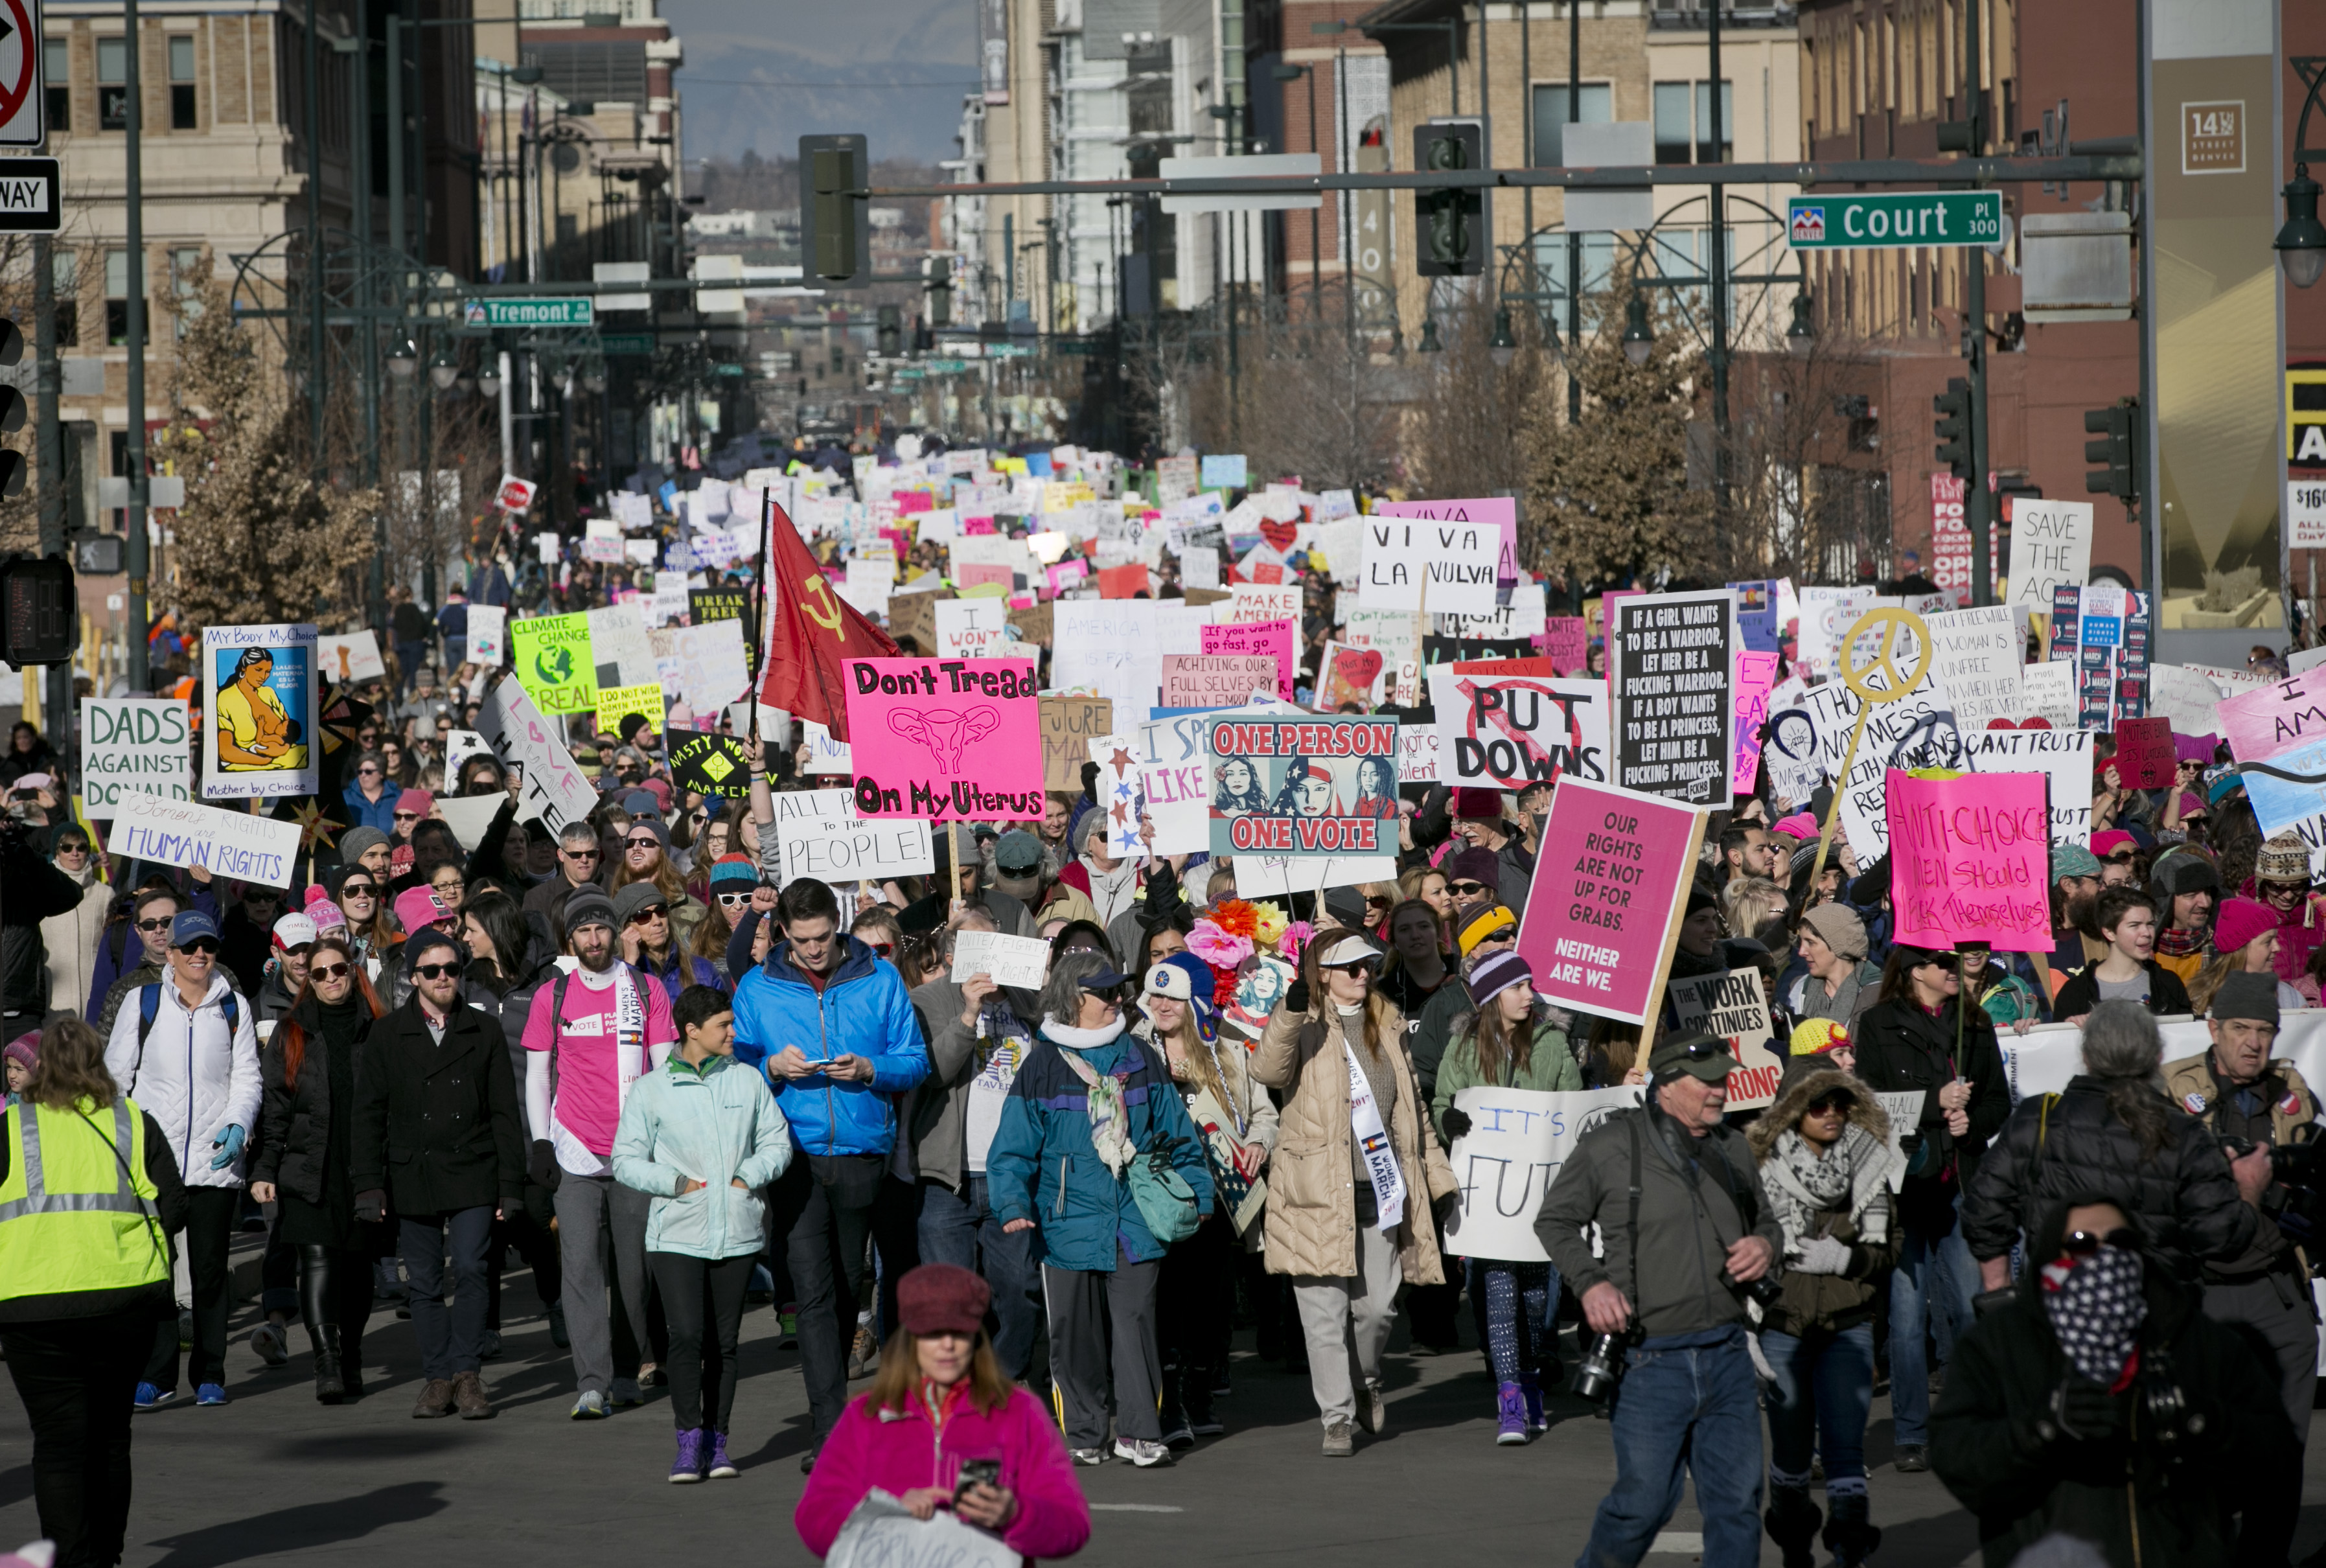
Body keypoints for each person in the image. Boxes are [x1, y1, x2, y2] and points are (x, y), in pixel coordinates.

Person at [1929, 1195, 2290, 1567]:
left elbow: (2274, 1455)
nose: (2105, 1256)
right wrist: (2040, 1430)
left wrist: (2206, 1423)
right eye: (2083, 1242)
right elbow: (1956, 1453)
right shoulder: (2003, 1342)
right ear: (2054, 1251)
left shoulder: (2193, 1338)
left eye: (2120, 1242)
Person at [1536, 1032, 1786, 1568]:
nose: (1723, 1090)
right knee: (1642, 1506)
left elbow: (1767, 1221)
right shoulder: (1613, 1145)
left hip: (1728, 1353)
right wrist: (1591, 1283)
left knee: (1738, 1506)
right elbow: (1554, 1220)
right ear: (1668, 1086)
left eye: (1725, 1078)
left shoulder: (1734, 1147)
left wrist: (1766, 1244)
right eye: (1709, 1081)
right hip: (1650, 1361)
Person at [731, 876, 930, 1471]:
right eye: (802, 940)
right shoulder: (757, 985)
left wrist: (871, 1068)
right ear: (783, 933)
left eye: (822, 938)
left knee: (846, 1286)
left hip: (862, 1152)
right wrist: (770, 1064)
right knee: (814, 1294)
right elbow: (736, 1066)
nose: (814, 950)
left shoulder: (881, 977)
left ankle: (841, 1410)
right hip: (792, 1154)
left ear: (837, 924)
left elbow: (914, 1060)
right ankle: (829, 1430)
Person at [985, 951, 1210, 1468]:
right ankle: (1086, 1430)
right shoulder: (1042, 1064)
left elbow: (1176, 1131)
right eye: (1105, 993)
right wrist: (1014, 1202)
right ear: (1072, 999)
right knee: (1074, 1332)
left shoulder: (1139, 1055)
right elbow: (1013, 1148)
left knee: (1136, 1324)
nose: (1118, 1000)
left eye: (1118, 991)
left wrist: (1196, 1191)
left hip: (1135, 1214)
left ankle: (1139, 1431)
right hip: (1064, 1220)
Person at [1252, 932, 1455, 1457]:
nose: (1364, 974)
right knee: (1323, 1316)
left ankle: (1365, 1378)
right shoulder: (1299, 1021)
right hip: (1317, 1192)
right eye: (1351, 968)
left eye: (1368, 965)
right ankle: (1336, 1418)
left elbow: (1413, 1113)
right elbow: (1268, 1070)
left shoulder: (1386, 1023)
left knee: (1379, 1311)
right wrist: (1290, 1013)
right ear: (1322, 973)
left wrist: (1438, 1179)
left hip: (1380, 1190)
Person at [0, 1014, 189, 1568]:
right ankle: (105, 1557)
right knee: (109, 1438)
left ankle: (71, 1559)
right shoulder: (132, 1120)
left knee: (58, 1443)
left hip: (32, 1306)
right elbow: (174, 1204)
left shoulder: (11, 1128)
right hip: (122, 1299)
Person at [2154, 972, 2320, 1564]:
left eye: (2266, 1031)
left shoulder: (2291, 1088)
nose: (2254, 1043)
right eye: (2241, 1029)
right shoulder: (2173, 1089)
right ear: (2213, 1028)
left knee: (2285, 1448)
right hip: (2203, 1293)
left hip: (2277, 1290)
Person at [612, 984, 792, 1482]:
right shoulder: (652, 1089)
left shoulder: (747, 1080)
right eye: (724, 1026)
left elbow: (776, 1143)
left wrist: (746, 1178)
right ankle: (689, 1441)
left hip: (735, 1229)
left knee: (725, 1343)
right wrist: (674, 1184)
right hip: (677, 1232)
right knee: (687, 1335)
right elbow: (624, 1159)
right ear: (691, 1030)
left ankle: (719, 1442)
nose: (735, 1033)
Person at [793, 1263, 1092, 1563]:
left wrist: (1015, 1514)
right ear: (911, 1338)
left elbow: (1072, 1525)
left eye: (960, 1333)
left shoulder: (1019, 1412)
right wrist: (884, 1512)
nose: (948, 1345)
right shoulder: (866, 1415)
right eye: (934, 1333)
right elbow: (814, 1517)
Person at [351, 929, 525, 1420]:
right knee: (424, 1281)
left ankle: (467, 1373)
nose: (444, 978)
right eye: (432, 970)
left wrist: (510, 1185)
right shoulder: (387, 1035)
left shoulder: (483, 1030)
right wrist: (368, 1183)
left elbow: (504, 1114)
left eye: (452, 969)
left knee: (471, 1268)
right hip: (413, 1171)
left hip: (473, 1166)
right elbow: (368, 1114)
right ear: (413, 977)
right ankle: (436, 1377)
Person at [1851, 942, 2012, 1471]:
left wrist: (1975, 1124)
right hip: (1904, 1187)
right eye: (1942, 963)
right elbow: (1869, 1101)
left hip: (1960, 1181)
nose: (1954, 969)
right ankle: (1912, 1435)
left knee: (1969, 1307)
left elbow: (1996, 1102)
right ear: (1916, 971)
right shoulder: (1877, 1024)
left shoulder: (1978, 1023)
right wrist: (1933, 1105)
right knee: (1904, 1317)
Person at [522, 886, 678, 1418]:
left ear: (617, 932)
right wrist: (541, 1139)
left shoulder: (645, 988)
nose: (594, 938)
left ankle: (628, 1370)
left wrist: (670, 1141)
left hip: (636, 1151)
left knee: (634, 1271)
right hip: (573, 1150)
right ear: (571, 938)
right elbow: (539, 1075)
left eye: (602, 928)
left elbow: (666, 1070)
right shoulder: (553, 995)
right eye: (584, 930)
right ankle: (591, 1381)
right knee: (582, 1267)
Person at [1966, 996, 2260, 1278]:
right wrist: (2249, 1191)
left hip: (2060, 1305)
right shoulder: (2184, 1132)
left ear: (2086, 1055)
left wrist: (1998, 1286)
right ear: (2157, 1057)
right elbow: (2220, 1238)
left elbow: (1983, 1208)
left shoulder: (2038, 1117)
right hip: (2157, 1312)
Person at [102, 908, 260, 1411]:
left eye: (208, 947)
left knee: (211, 1272)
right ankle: (158, 1373)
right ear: (169, 952)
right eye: (189, 947)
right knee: (158, 1271)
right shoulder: (141, 1001)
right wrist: (126, 1144)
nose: (199, 956)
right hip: (155, 1163)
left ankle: (211, 1372)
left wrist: (239, 1124)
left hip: (216, 1163)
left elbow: (248, 1077)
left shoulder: (233, 1006)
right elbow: (115, 1079)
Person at [1745, 1065, 1899, 1568]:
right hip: (1782, 1324)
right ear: (1792, 1111)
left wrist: (1848, 1259)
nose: (1832, 1114)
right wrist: (1743, 1324)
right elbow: (1735, 1247)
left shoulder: (1870, 1161)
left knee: (1844, 1449)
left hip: (1848, 1324)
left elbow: (1890, 1247)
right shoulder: (1759, 1168)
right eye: (1818, 1105)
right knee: (1790, 1455)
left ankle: (1849, 1551)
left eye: (1839, 1104)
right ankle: (1794, 1550)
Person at [1431, 951, 1578, 1440]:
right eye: (1518, 988)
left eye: (1530, 986)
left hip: (1541, 1196)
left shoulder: (1554, 1043)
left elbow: (1574, 1110)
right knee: (1497, 1294)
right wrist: (1447, 1118)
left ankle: (1532, 1378)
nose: (1529, 995)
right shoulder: (1465, 1046)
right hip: (1489, 1199)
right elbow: (1442, 1099)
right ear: (1493, 997)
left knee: (1536, 1300)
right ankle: (1510, 1398)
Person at [1138, 951, 1276, 1445]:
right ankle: (1169, 1398)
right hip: (1157, 1198)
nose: (1162, 1004)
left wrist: (1260, 1141)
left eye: (1173, 995)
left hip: (1217, 1198)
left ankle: (1200, 1389)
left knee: (1208, 1300)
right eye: (1155, 994)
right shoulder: (1135, 1051)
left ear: (1194, 1000)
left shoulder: (1231, 1053)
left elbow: (1263, 1113)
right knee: (1165, 1299)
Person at [904, 910, 1044, 1381]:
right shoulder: (926, 1000)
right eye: (976, 949)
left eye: (996, 944)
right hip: (950, 1177)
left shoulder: (1029, 1003)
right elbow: (934, 1072)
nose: (991, 957)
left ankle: (1001, 1384)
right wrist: (968, 1013)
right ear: (950, 957)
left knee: (1022, 1289)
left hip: (1014, 1176)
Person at [248, 935, 385, 1403]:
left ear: (354, 971)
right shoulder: (292, 1031)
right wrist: (264, 1169)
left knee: (358, 1268)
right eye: (319, 973)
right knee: (319, 1263)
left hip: (364, 1168)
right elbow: (275, 1110)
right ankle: (326, 1358)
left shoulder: (378, 1028)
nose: (330, 980)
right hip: (310, 1165)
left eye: (338, 970)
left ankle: (351, 1357)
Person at [2051, 886, 2191, 1020]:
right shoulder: (2075, 992)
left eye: (2150, 924)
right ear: (2110, 933)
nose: (2147, 933)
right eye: (2134, 925)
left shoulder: (2168, 985)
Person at [40, 825, 112, 1030]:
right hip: (52, 997)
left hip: (94, 994)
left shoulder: (105, 894)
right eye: (67, 847)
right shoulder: (42, 890)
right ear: (57, 851)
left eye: (81, 847)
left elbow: (111, 948)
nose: (75, 853)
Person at [2185, 895, 2304, 1013]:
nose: (2277, 948)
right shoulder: (2203, 1000)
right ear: (2241, 949)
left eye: (2276, 939)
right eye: (2268, 942)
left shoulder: (2289, 996)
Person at [1783, 904, 1879, 1029]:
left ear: (1838, 945)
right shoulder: (1799, 988)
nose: (1801, 952)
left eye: (1811, 943)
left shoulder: (1876, 996)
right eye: (1801, 943)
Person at [527, 820, 610, 938]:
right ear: (561, 855)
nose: (584, 860)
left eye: (591, 853)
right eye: (576, 855)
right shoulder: (538, 898)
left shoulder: (615, 887)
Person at [2148, 855, 2220, 990]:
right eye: (2191, 895)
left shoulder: (2221, 951)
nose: (2204, 903)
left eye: (2208, 893)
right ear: (2167, 901)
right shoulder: (2144, 954)